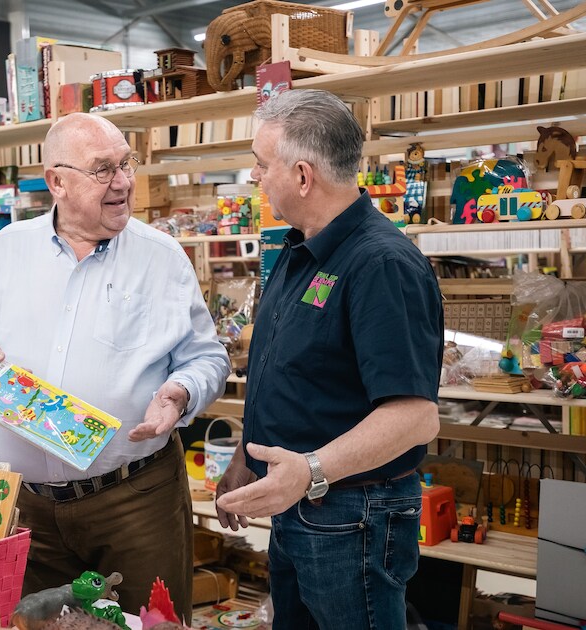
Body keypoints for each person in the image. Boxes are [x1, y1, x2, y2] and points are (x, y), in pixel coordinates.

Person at [0, 112, 231, 618]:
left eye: (126, 165)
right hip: (27, 506)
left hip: (134, 501)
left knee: (152, 625)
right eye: (102, 170)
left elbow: (206, 357)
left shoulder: (161, 256)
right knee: (39, 625)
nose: (121, 182)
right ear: (57, 181)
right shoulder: (7, 251)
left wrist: (181, 391)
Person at [215, 89, 443, 629]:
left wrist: (310, 470)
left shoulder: (381, 265)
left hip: (351, 516)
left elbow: (415, 417)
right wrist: (246, 460)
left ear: (301, 175)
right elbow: (289, 374)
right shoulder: (300, 251)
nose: (254, 177)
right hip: (298, 505)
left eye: (260, 164)